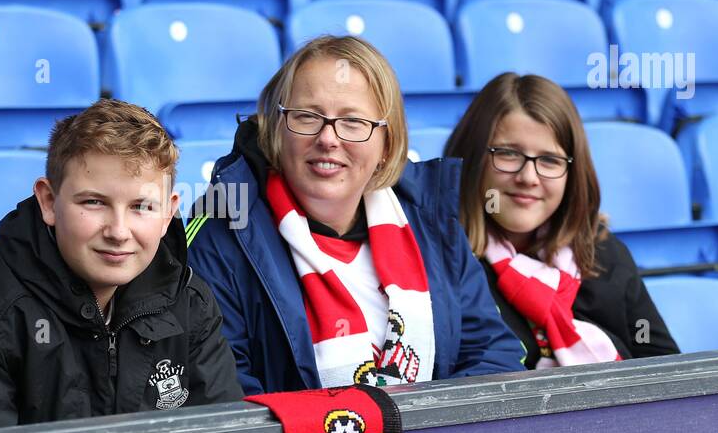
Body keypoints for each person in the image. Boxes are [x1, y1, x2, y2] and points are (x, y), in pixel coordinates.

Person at [185, 35, 526, 395]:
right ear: (276, 130)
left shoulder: (432, 223)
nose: (328, 138)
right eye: (307, 116)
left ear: (386, 144)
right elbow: (224, 397)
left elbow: (494, 354)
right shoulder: (222, 233)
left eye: (352, 122)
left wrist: (418, 431)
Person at [0, 99, 243, 426]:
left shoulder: (189, 301)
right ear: (48, 201)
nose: (118, 231)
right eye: (94, 202)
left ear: (168, 212)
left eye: (142, 207)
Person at [443, 71, 679, 368]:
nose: (528, 177)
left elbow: (666, 370)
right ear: (473, 157)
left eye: (549, 160)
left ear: (573, 173)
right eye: (507, 154)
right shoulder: (444, 265)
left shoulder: (603, 254)